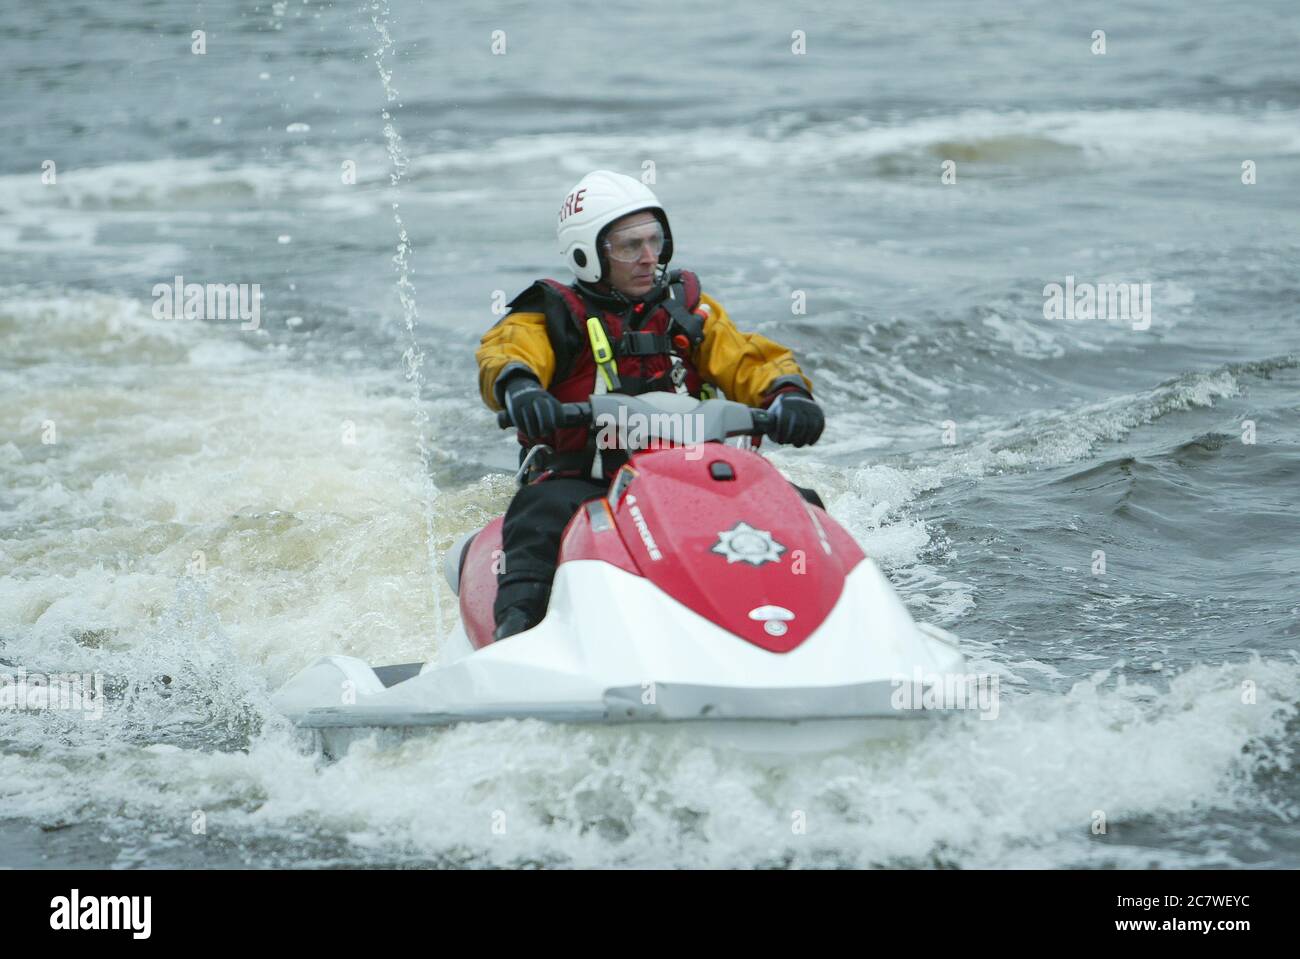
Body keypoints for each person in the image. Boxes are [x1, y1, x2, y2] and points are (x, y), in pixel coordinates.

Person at [476, 170, 825, 640]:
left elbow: (748, 359)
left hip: (691, 478)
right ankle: (516, 636)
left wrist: (788, 394)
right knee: (538, 515)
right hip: (586, 481)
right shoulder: (549, 315)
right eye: (629, 246)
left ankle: (824, 623)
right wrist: (520, 388)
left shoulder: (691, 311)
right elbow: (507, 352)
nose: (648, 258)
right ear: (587, 254)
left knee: (800, 505)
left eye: (654, 240)